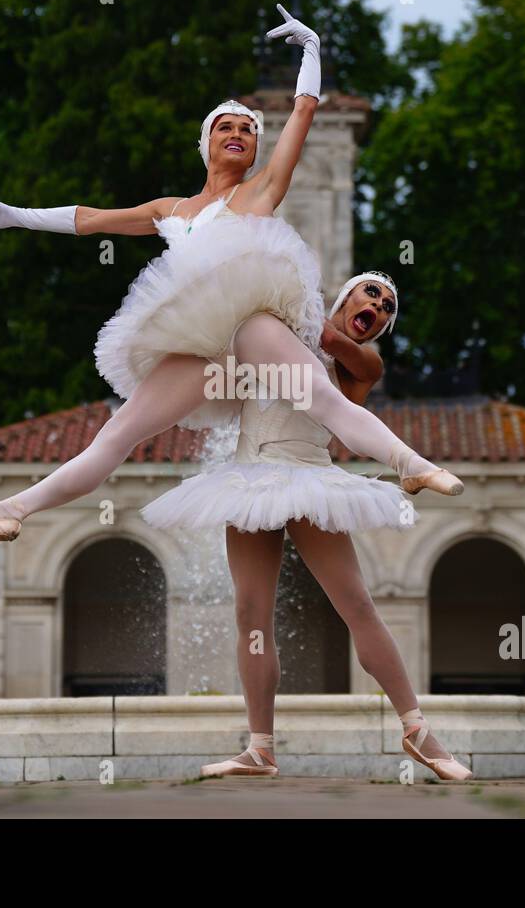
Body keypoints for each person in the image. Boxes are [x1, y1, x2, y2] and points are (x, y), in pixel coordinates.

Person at [0, 3, 461, 566]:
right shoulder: (173, 210)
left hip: (253, 326)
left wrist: (311, 52)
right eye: (227, 126)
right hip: (203, 351)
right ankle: (8, 511)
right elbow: (91, 219)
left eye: (248, 129)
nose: (238, 133)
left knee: (319, 395)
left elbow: (303, 115)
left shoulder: (262, 191)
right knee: (113, 440)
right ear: (207, 143)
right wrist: (17, 214)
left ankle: (411, 465)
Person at [142, 273, 473, 782]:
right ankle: (260, 748)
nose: (379, 307)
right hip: (250, 477)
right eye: (372, 295)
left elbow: (341, 347)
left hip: (308, 479)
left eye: (387, 307)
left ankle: (416, 728)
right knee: (251, 615)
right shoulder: (278, 333)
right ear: (346, 297)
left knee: (357, 604)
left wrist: (304, 319)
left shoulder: (360, 365)